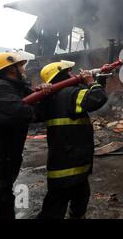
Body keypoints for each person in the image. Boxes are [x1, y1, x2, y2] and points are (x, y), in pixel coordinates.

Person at [0, 52, 50, 219]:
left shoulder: (15, 88)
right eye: (20, 66)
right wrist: (40, 105)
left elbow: (40, 110)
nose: (23, 69)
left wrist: (44, 94)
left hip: (3, 166)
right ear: (10, 69)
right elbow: (21, 113)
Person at [37, 61, 108, 219]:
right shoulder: (69, 93)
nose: (73, 74)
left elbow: (87, 96)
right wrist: (90, 82)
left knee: (76, 199)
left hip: (69, 161)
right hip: (71, 162)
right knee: (56, 208)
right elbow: (97, 98)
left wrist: (99, 80)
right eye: (70, 72)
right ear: (62, 75)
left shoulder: (57, 95)